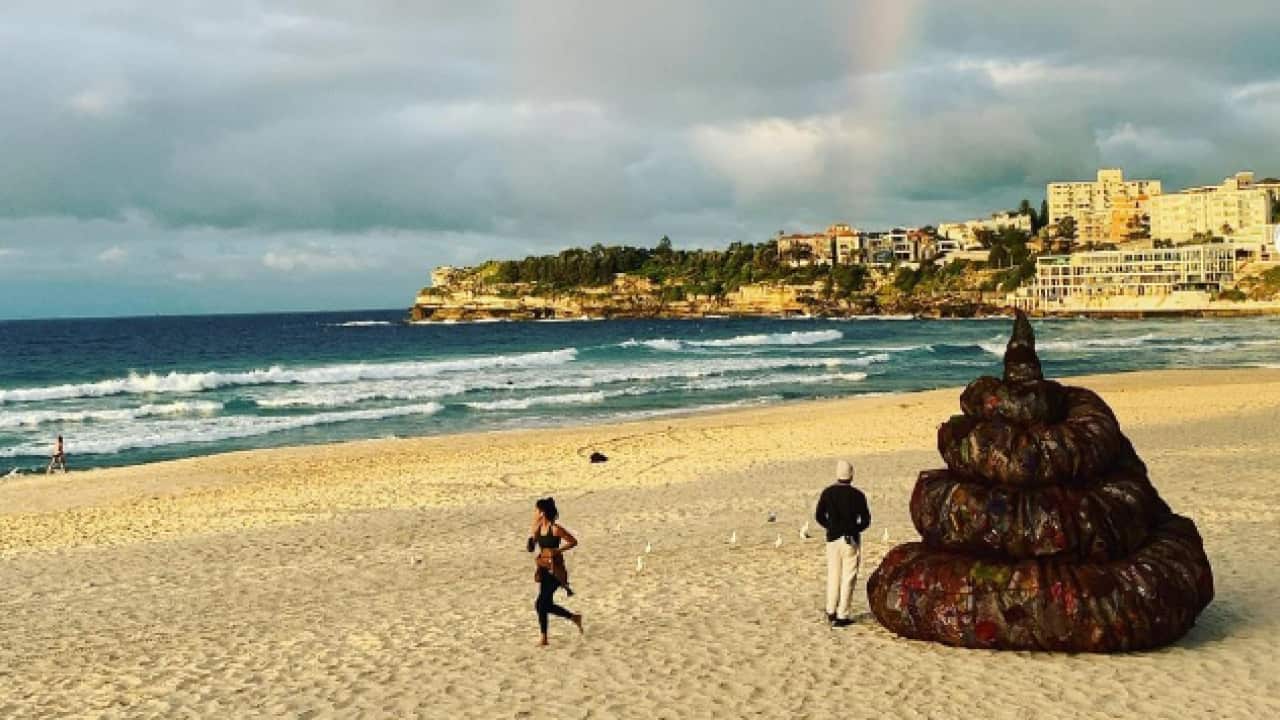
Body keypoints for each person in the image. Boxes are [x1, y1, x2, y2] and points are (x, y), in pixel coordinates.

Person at [815, 459, 871, 627]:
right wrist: (856, 529)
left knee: (833, 574)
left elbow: (819, 515)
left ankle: (830, 610)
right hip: (850, 539)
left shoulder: (828, 493)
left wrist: (830, 527)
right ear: (851, 475)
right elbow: (866, 519)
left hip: (833, 539)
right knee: (848, 577)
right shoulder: (858, 495)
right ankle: (842, 614)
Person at [525, 497, 583, 646]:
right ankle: (573, 618)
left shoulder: (555, 529)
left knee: (540, 604)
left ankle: (544, 638)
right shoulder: (538, 529)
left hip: (556, 571)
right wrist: (532, 534)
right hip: (543, 568)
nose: (535, 513)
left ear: (543, 512)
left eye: (537, 510)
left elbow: (573, 541)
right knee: (546, 604)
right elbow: (530, 548)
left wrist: (557, 550)